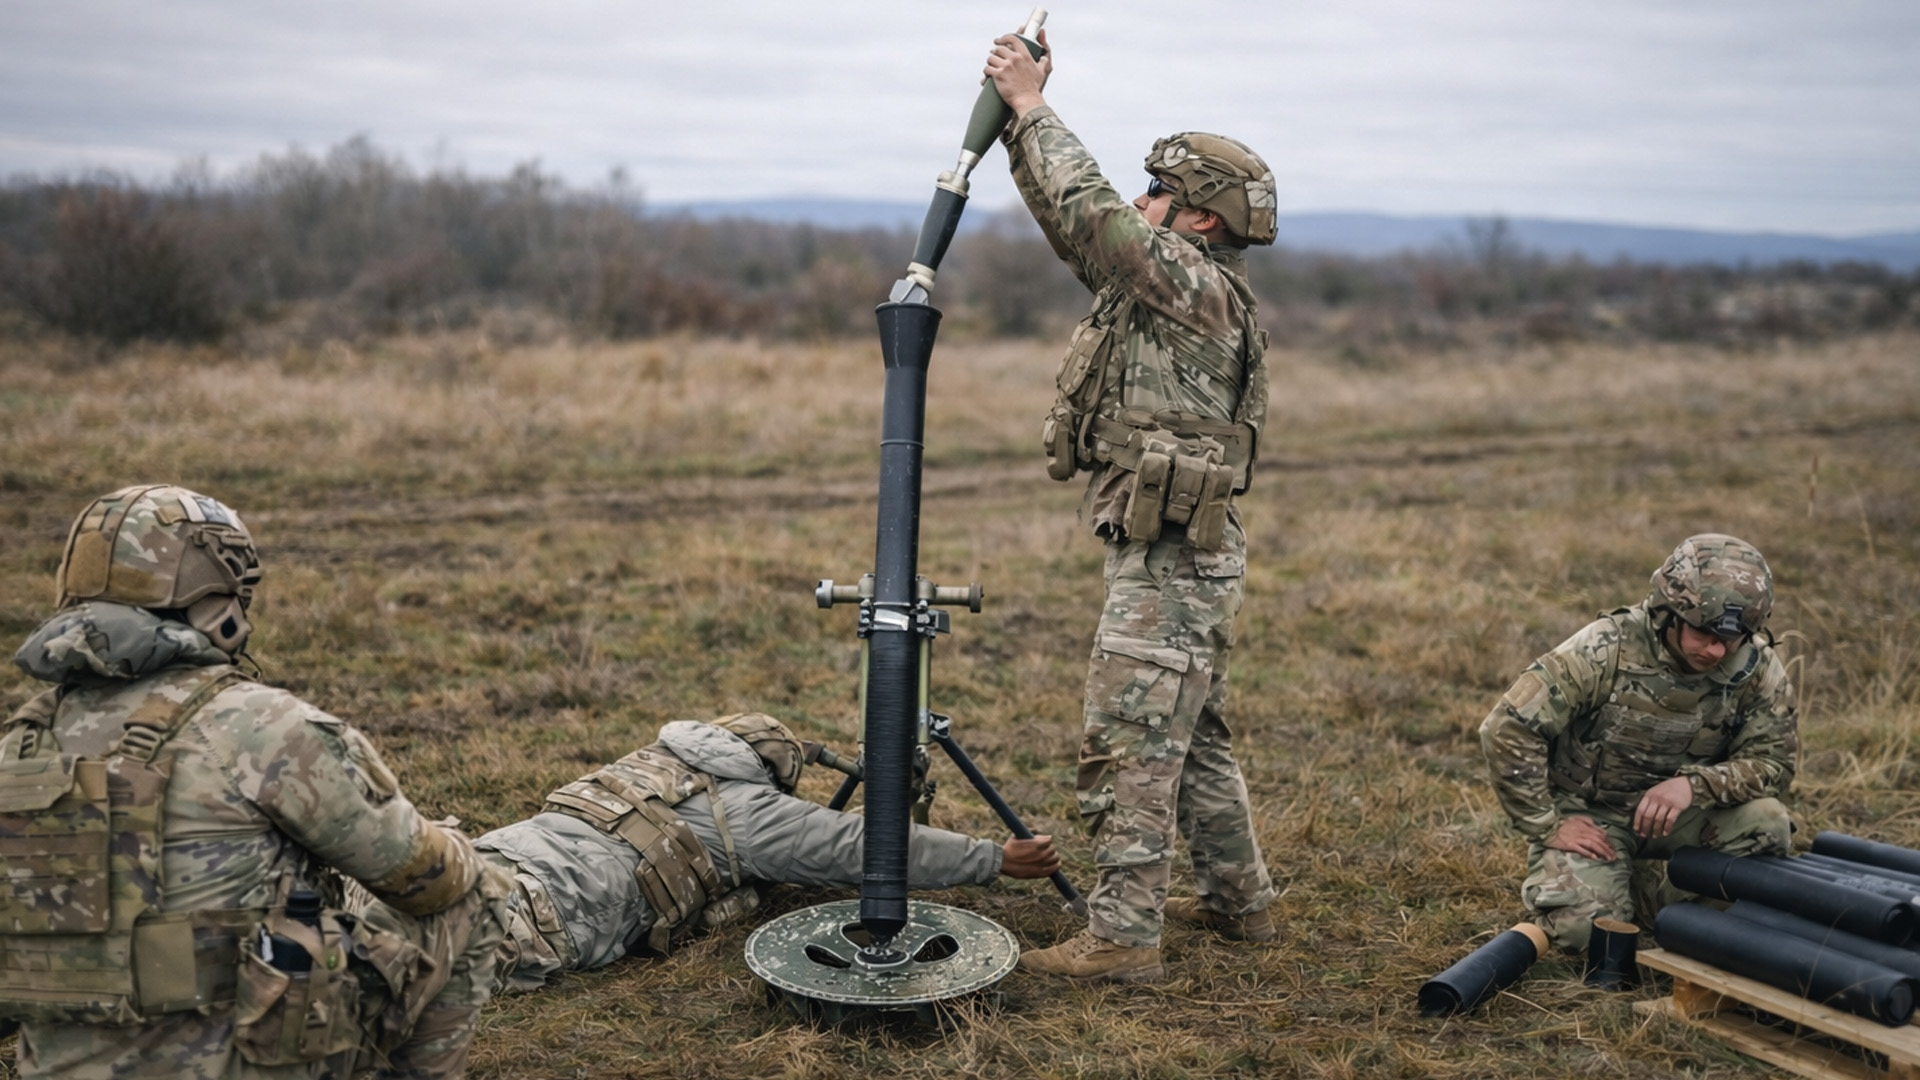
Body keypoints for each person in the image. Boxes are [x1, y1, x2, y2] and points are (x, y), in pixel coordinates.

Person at [0, 485, 512, 1079]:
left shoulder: (20, 742)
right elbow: (425, 877)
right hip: (247, 1061)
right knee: (479, 888)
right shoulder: (257, 725)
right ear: (216, 599)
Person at [981, 29, 1279, 983]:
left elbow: (1100, 217)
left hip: (1175, 563)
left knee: (1134, 739)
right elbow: (1080, 222)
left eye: (1159, 196)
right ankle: (1242, 903)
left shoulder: (1190, 284)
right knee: (1191, 734)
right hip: (1180, 551)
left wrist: (1032, 107)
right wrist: (1023, 133)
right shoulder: (1169, 285)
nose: (1141, 206)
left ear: (1197, 222)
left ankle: (1121, 939)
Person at [475, 712, 1062, 990]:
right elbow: (860, 846)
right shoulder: (748, 812)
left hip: (492, 853)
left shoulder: (650, 762)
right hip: (542, 911)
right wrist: (994, 858)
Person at [1479, 534, 1798, 952]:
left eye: (1734, 636)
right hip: (1595, 816)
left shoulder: (1755, 667)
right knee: (1587, 935)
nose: (1718, 650)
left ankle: (1659, 902)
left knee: (1769, 824)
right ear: (1671, 611)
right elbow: (1508, 726)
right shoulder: (1604, 648)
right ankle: (1617, 893)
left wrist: (1694, 786)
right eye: (1704, 632)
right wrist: (1547, 823)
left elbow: (1774, 761)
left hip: (1687, 814)